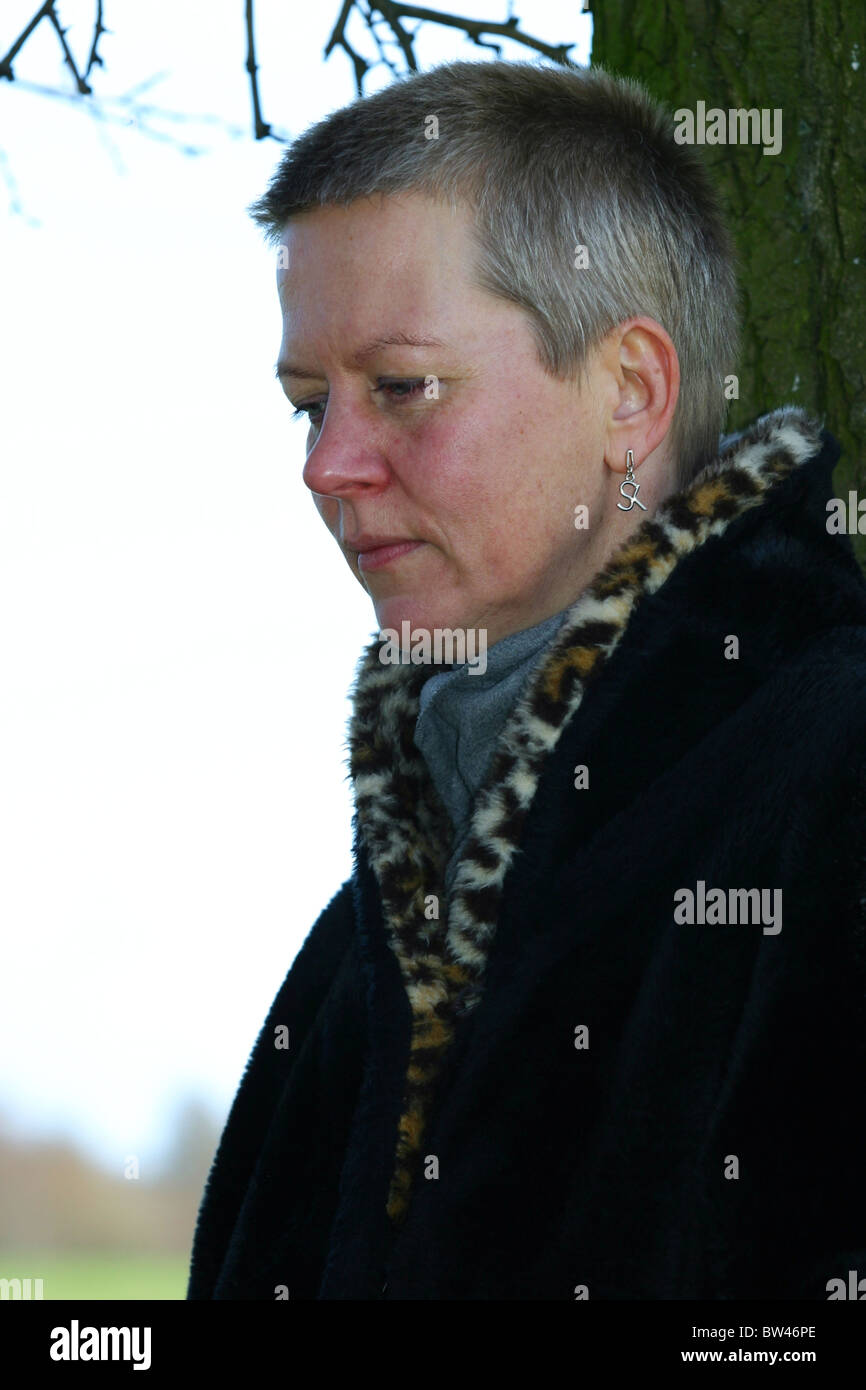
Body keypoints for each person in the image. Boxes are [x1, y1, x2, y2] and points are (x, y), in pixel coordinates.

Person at [186, 59, 866, 1300]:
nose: (327, 465)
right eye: (306, 404)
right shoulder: (365, 946)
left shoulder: (832, 784)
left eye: (402, 387)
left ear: (630, 392)